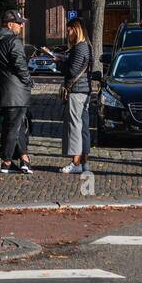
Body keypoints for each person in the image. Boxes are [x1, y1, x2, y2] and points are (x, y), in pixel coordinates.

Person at [0, 9, 34, 173]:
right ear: (10, 24)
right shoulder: (13, 41)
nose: (21, 26)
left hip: (2, 90)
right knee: (12, 127)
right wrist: (28, 81)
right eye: (19, 23)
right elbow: (20, 65)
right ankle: (6, 161)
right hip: (17, 92)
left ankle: (24, 158)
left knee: (16, 125)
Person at [54, 18, 93, 173]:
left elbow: (71, 71)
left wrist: (59, 62)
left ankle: (75, 162)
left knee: (75, 126)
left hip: (77, 91)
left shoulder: (80, 47)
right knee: (83, 126)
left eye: (69, 30)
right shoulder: (87, 47)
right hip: (84, 91)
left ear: (76, 30)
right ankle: (84, 162)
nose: (67, 33)